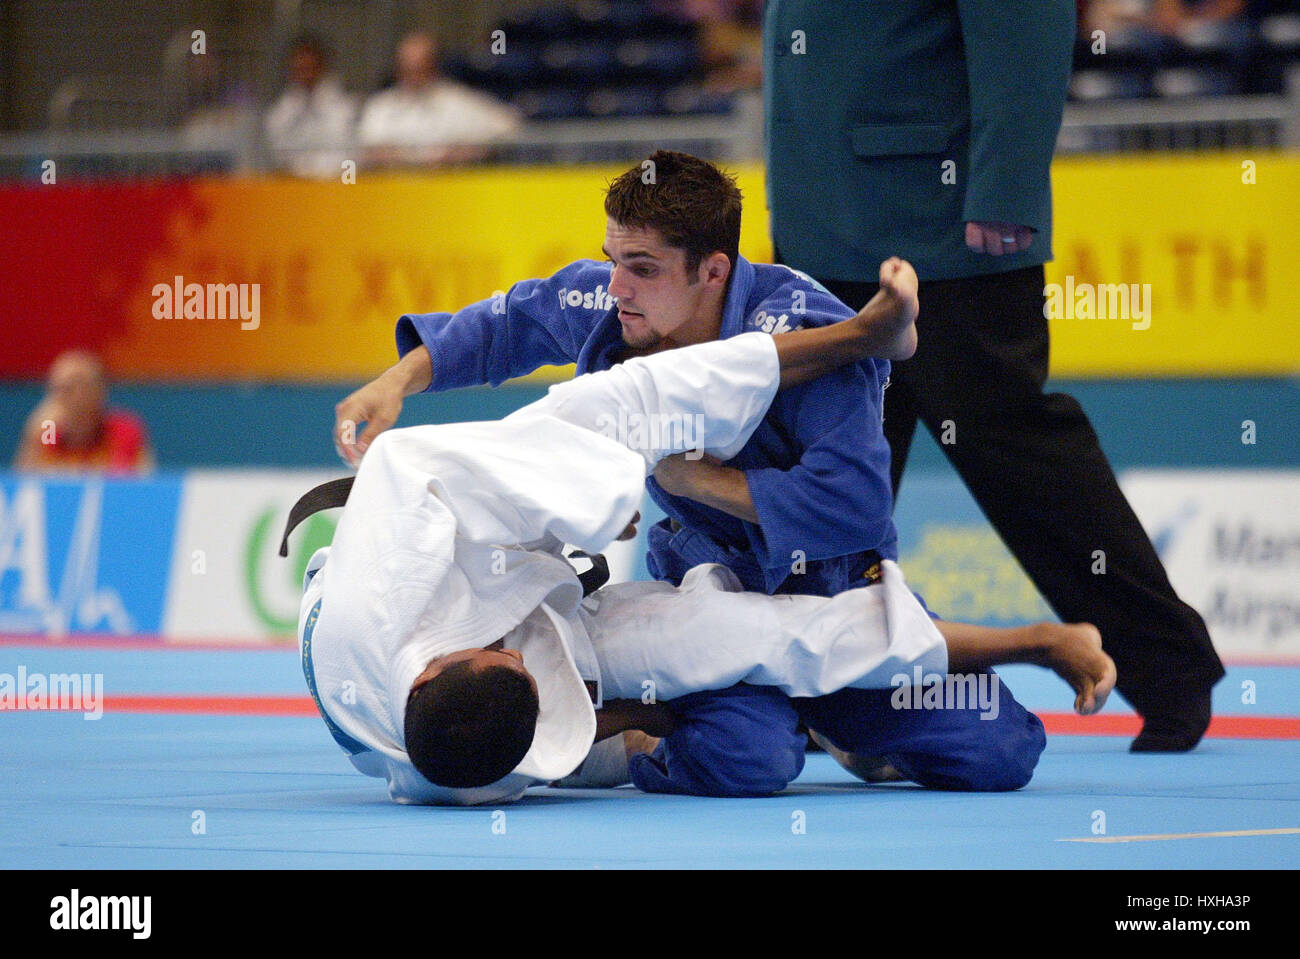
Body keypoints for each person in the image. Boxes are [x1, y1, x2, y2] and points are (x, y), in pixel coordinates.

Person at [331, 150, 1060, 796]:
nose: (617, 286)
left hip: (828, 586)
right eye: (613, 259)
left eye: (642, 269)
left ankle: (845, 719)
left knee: (1004, 749)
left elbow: (857, 505)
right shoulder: (615, 304)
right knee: (751, 754)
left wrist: (697, 482)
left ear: (713, 270)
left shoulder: (804, 331)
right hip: (702, 585)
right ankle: (711, 729)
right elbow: (505, 324)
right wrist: (395, 381)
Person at [290, 316, 1114, 805]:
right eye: (519, 667)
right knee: (749, 686)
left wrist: (588, 492)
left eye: (502, 658)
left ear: (430, 677)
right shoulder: (466, 769)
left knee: (603, 418)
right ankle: (1008, 650)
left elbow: (411, 460)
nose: (514, 654)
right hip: (526, 656)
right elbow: (556, 733)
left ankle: (856, 336)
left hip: (461, 554)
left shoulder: (384, 580)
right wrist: (656, 713)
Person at [762, 1, 1223, 752]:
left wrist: (1006, 188)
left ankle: (1168, 666)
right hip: (830, 222)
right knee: (831, 464)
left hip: (941, 224)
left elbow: (1028, 22)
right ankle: (819, 684)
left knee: (1014, 450)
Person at [356, 32, 520, 168]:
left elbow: (509, 127)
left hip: (448, 192)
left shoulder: (459, 100)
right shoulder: (380, 106)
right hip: (394, 193)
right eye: (407, 70)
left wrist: (463, 152)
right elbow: (365, 147)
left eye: (420, 69)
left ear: (434, 67)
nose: (413, 78)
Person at [14, 350, 153, 474]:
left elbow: (142, 485)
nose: (63, 394)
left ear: (99, 390)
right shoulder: (48, 431)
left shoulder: (122, 431)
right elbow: (25, 485)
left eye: (75, 384)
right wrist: (33, 436)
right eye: (58, 387)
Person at [263, 33, 357, 179]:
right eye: (299, 69)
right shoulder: (280, 112)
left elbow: (349, 157)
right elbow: (276, 155)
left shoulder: (345, 108)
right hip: (293, 187)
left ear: (321, 66)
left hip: (334, 185)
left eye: (309, 68)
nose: (305, 75)